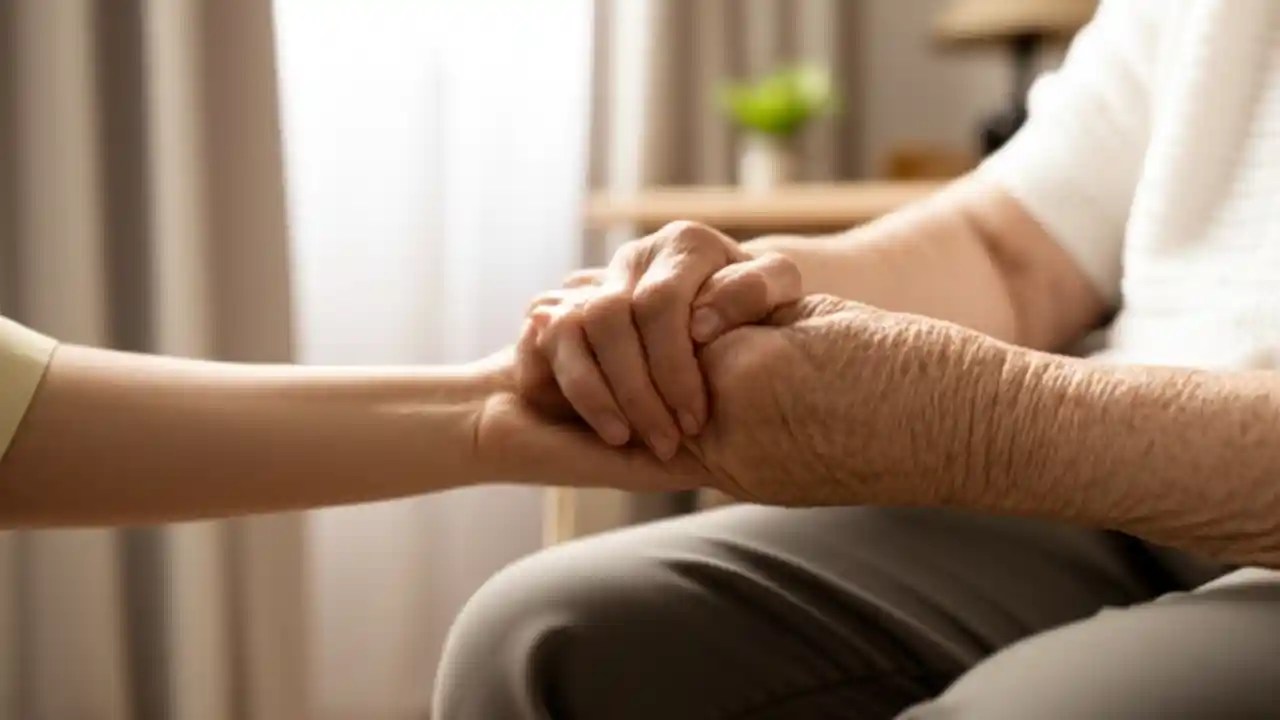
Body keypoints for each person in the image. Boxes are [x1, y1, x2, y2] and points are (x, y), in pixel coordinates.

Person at [434, 2, 1280, 717]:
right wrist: (733, 291)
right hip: (1120, 496)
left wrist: (975, 422)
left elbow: (996, 404)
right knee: (537, 639)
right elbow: (1010, 247)